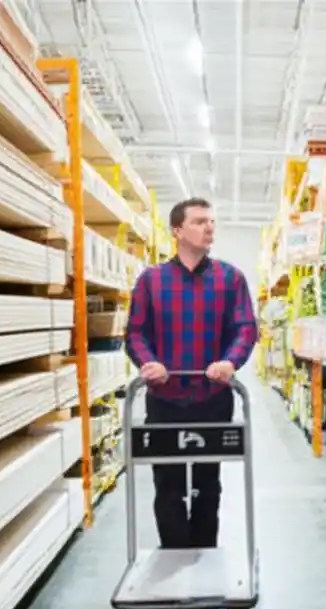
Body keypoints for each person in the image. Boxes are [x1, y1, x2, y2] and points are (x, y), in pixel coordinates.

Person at [125, 197, 258, 550]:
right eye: (200, 221)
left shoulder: (230, 279)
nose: (209, 227)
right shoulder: (151, 281)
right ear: (178, 230)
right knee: (167, 485)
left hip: (211, 398)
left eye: (211, 221)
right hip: (164, 400)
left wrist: (230, 362)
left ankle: (204, 553)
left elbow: (245, 328)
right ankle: (173, 555)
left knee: (207, 483)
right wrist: (148, 363)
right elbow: (136, 332)